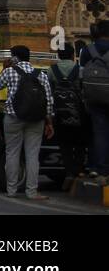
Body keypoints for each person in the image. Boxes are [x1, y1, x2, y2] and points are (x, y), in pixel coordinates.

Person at [0, 45, 54, 200]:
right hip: (36, 119)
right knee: (32, 155)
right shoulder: (40, 75)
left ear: (14, 57)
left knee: (12, 153)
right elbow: (48, 100)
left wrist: (4, 68)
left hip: (13, 118)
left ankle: (11, 190)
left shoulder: (9, 72)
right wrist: (49, 122)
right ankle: (32, 192)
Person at [49, 45, 87, 187]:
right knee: (80, 143)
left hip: (60, 113)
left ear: (58, 56)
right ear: (73, 55)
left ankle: (70, 172)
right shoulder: (80, 70)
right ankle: (79, 170)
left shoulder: (51, 70)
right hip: (78, 112)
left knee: (64, 144)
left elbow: (49, 91)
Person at [79, 19, 109, 186]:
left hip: (94, 96)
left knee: (100, 133)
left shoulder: (87, 50)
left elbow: (82, 74)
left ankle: (102, 170)